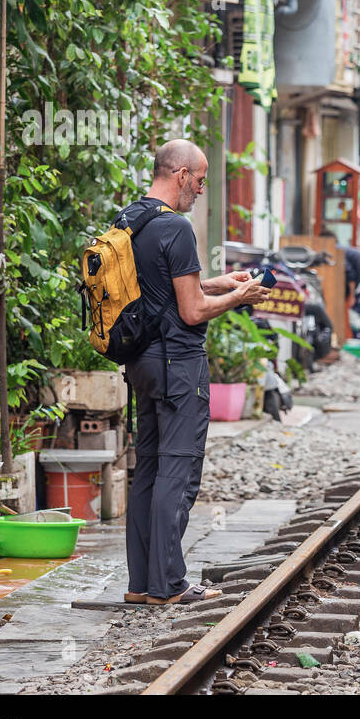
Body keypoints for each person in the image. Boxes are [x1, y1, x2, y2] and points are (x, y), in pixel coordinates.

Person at [120, 139, 271, 604]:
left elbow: (162, 291)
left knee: (147, 467)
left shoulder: (130, 219)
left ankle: (141, 584)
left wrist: (216, 283)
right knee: (177, 470)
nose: (202, 189)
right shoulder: (177, 228)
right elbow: (190, 311)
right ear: (181, 174)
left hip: (141, 363)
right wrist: (237, 298)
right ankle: (168, 583)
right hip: (178, 366)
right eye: (201, 179)